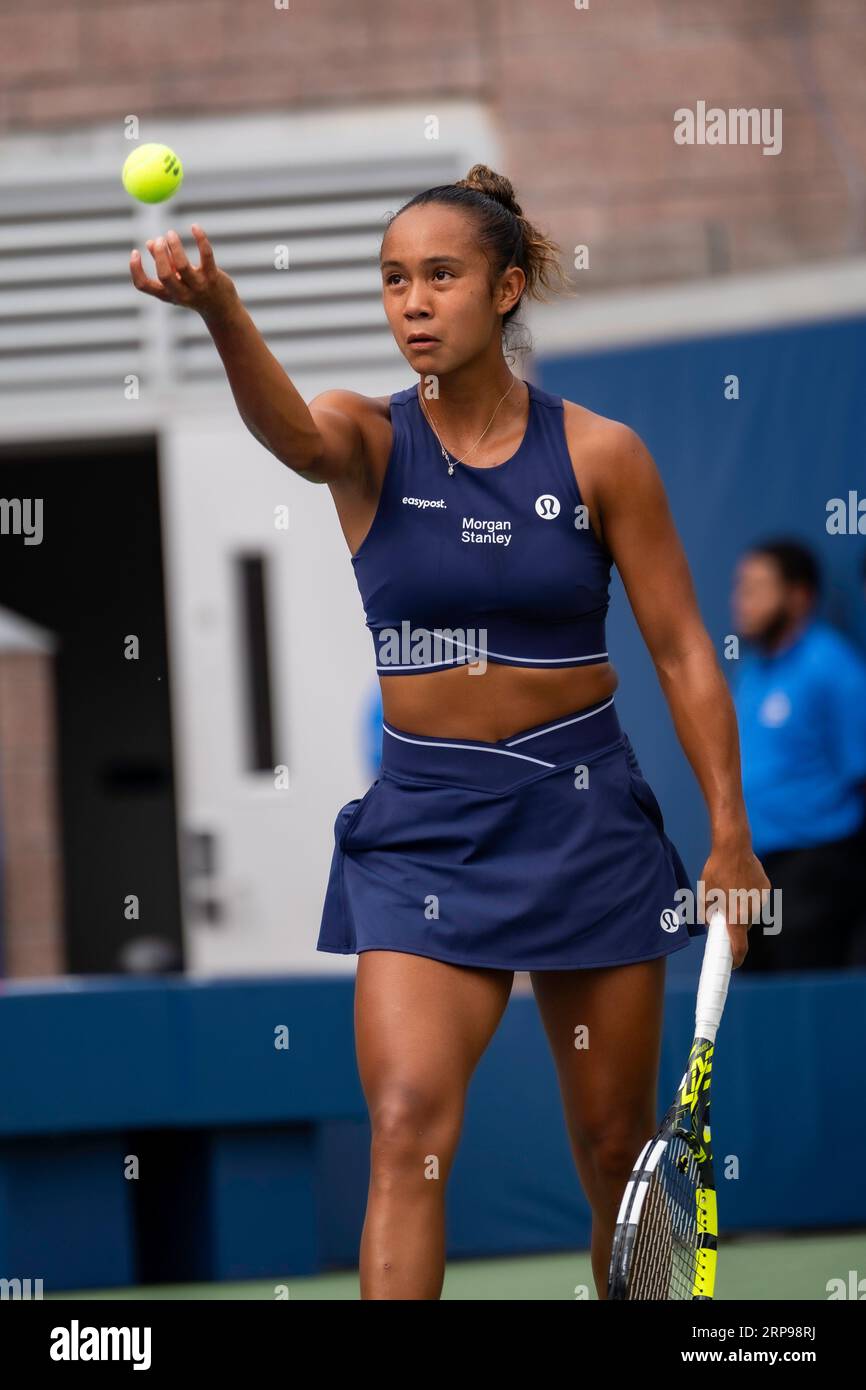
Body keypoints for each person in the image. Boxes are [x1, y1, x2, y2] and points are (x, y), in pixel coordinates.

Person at [130, 164, 768, 1301]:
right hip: (423, 831)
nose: (411, 302)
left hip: (584, 824)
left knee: (616, 1152)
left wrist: (729, 834)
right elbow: (289, 434)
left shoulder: (601, 454)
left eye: (439, 276)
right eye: (391, 280)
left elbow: (680, 650)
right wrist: (224, 309)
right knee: (404, 1125)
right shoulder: (364, 440)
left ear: (506, 289)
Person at [732, 539, 866, 971]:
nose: (741, 602)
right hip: (755, 870)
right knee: (755, 1004)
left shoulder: (834, 667)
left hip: (817, 869)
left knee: (805, 1009)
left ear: (798, 596)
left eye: (756, 589)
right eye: (740, 588)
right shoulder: (751, 672)